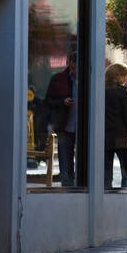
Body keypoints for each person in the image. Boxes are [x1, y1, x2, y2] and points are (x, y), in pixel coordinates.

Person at [46, 53, 79, 186]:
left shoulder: (91, 79)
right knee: (65, 164)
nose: (74, 69)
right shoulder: (59, 79)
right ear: (69, 63)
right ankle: (67, 187)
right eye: (73, 65)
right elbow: (48, 101)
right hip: (64, 126)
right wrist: (62, 102)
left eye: (76, 65)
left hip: (83, 127)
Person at [104, 62, 127, 189]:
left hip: (105, 137)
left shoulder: (100, 90)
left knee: (105, 173)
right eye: (124, 75)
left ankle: (105, 197)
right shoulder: (124, 93)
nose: (126, 79)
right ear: (117, 76)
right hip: (122, 138)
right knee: (126, 171)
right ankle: (125, 196)